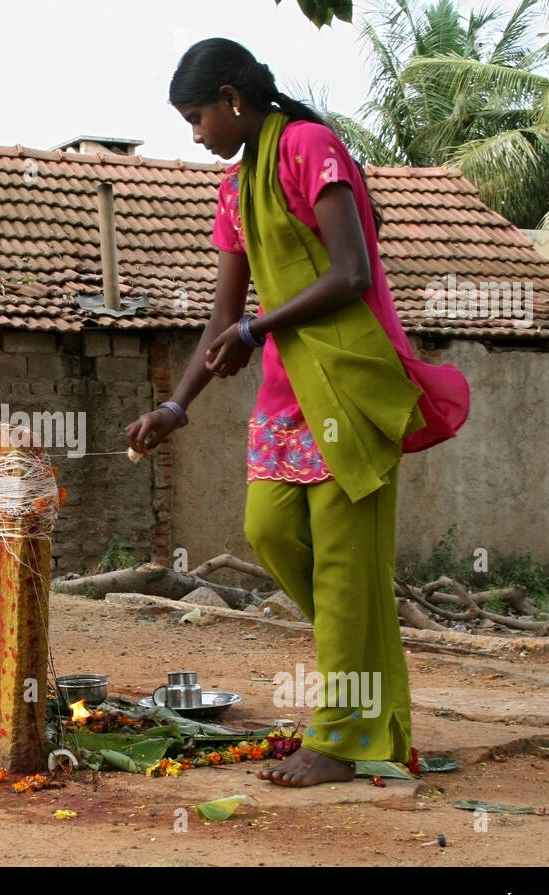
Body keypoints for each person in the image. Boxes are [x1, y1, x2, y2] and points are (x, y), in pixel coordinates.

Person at [125, 38, 469, 787]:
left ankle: (341, 738)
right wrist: (173, 407)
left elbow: (351, 272)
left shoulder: (309, 148)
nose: (196, 135)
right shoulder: (234, 190)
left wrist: (258, 328)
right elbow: (223, 320)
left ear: (232, 98)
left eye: (196, 117)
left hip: (348, 383)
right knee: (269, 530)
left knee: (348, 576)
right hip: (286, 395)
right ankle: (364, 662)